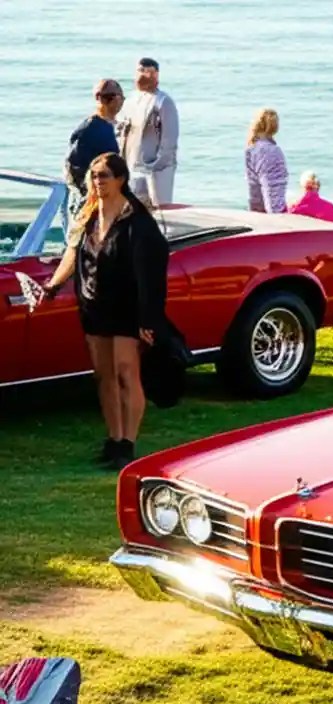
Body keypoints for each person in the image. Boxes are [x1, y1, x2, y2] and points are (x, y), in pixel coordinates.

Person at [38, 153, 169, 469]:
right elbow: (72, 255)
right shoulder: (88, 216)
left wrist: (149, 318)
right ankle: (113, 439)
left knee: (126, 372)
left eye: (104, 175)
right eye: (94, 175)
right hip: (94, 304)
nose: (98, 181)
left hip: (127, 307)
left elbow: (153, 270)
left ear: (120, 179)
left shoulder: (137, 221)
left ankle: (128, 443)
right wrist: (53, 286)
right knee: (104, 376)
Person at [117, 57, 178, 207]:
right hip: (131, 166)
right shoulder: (131, 100)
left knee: (159, 213)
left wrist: (156, 165)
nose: (145, 76)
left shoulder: (163, 101)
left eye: (150, 72)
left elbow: (170, 140)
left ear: (157, 75)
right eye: (141, 71)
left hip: (154, 169)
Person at [65, 79, 124, 214]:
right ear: (115, 99)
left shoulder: (108, 127)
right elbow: (74, 168)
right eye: (122, 98)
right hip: (93, 201)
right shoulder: (91, 129)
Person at [245, 108, 289, 213]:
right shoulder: (271, 151)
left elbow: (254, 189)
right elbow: (272, 187)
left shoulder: (251, 148)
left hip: (257, 211)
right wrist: (277, 217)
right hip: (274, 214)